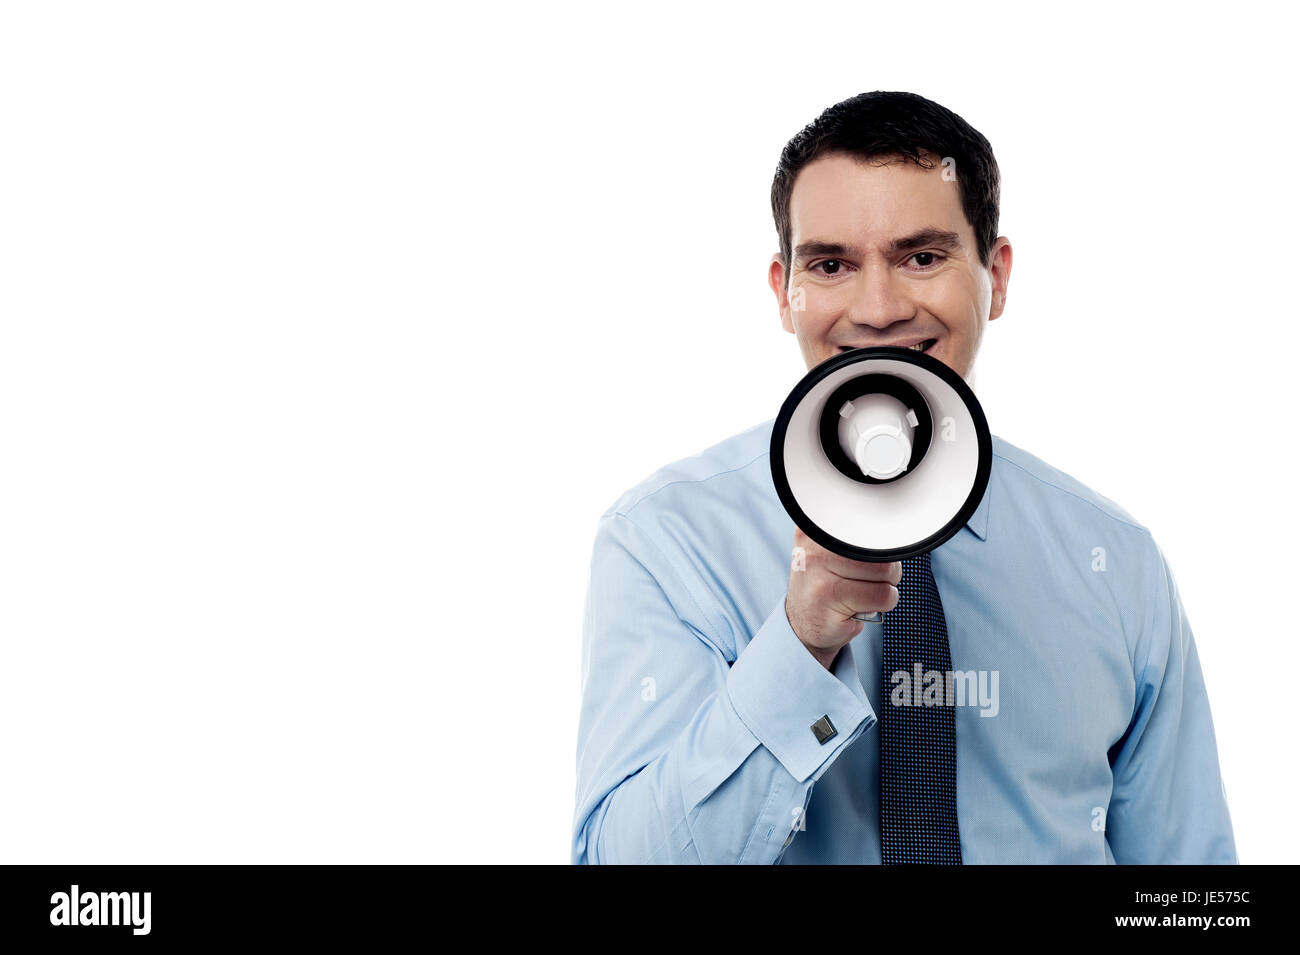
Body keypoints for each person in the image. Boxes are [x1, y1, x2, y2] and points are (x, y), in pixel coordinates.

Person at [571, 91, 1236, 864]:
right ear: (786, 293)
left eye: (922, 257)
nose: (878, 308)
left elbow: (1193, 894)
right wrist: (797, 647)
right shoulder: (664, 543)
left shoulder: (1116, 562)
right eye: (831, 265)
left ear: (996, 274)